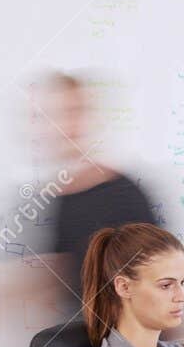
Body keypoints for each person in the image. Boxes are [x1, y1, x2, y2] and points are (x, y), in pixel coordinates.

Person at [35, 72, 159, 289]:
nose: (63, 126)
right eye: (51, 116)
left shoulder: (124, 194)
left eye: (72, 112)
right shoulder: (43, 204)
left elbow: (160, 279)